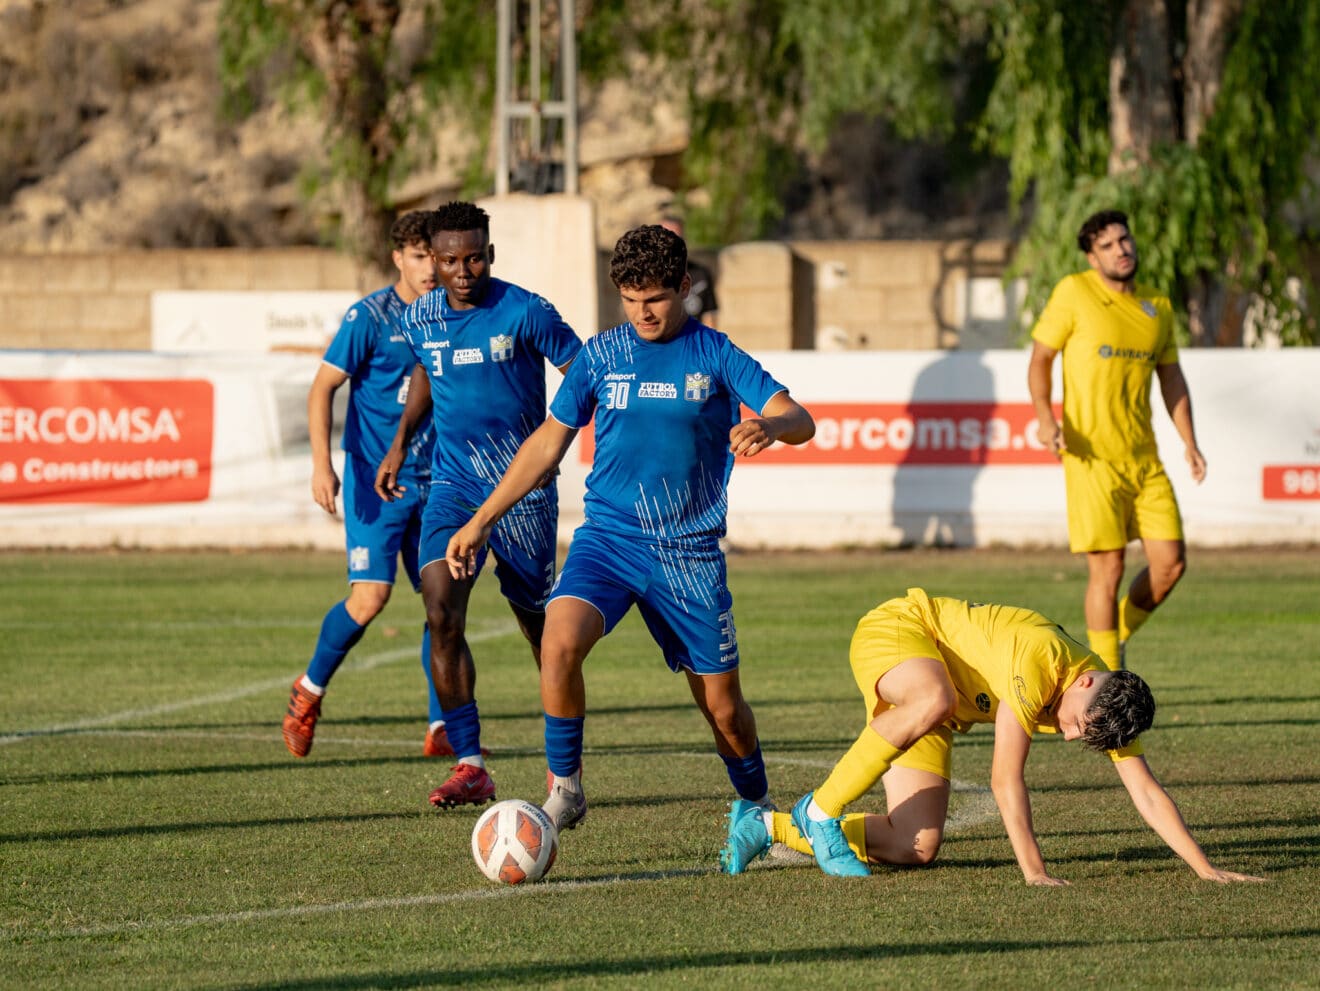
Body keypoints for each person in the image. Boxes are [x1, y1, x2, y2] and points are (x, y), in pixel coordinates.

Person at [445, 223, 815, 832]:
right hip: (609, 542)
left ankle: (756, 807)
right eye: (631, 297)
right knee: (558, 644)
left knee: (724, 711)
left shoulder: (714, 352)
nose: (643, 310)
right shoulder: (602, 355)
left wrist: (772, 428)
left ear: (684, 287)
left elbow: (799, 417)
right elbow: (546, 444)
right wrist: (483, 518)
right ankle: (565, 789)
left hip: (687, 554)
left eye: (657, 297)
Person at [719, 589, 1265, 885]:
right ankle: (821, 811)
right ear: (1085, 680)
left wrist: (1205, 868)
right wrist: (1035, 874)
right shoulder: (1041, 658)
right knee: (931, 698)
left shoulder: (1107, 703)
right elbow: (1005, 780)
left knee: (916, 846)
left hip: (940, 707)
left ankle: (765, 826)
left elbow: (1145, 789)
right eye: (1078, 725)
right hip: (902, 632)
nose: (1072, 737)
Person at [375, 201, 582, 809]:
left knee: (541, 631)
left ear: (489, 254)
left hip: (521, 491)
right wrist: (400, 441)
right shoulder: (423, 316)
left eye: (472, 258)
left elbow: (583, 370)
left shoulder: (525, 310)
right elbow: (425, 374)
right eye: (448, 260)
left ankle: (562, 770)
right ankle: (470, 763)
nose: (461, 270)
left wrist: (553, 439)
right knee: (441, 609)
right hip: (453, 484)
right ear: (432, 261)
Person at [282, 210, 446, 759]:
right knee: (371, 598)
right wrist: (321, 464)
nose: (429, 268)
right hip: (376, 484)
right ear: (399, 257)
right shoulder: (370, 316)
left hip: (440, 481)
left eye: (434, 256)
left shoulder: (453, 316)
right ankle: (308, 691)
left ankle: (442, 726)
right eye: (419, 257)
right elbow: (321, 387)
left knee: (443, 605)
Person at [1028, 209, 1206, 672]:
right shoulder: (1074, 291)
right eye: (1107, 245)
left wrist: (1189, 441)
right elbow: (1040, 360)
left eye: (1124, 240)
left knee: (1171, 565)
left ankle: (1112, 638)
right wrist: (1046, 419)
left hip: (1144, 460)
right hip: (1091, 459)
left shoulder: (1157, 307)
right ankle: (1105, 685)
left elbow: (1172, 380)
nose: (1121, 250)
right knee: (1107, 570)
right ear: (1091, 256)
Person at [659, 215, 719, 327]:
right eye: (664, 238)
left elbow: (709, 316)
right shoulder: (648, 276)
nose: (670, 243)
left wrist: (708, 343)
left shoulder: (700, 274)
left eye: (676, 238)